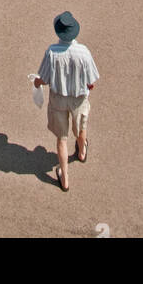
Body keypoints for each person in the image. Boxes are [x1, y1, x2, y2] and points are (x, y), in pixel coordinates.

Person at [34, 12, 98, 193]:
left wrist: (36, 83)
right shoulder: (84, 52)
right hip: (78, 99)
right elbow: (91, 81)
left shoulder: (52, 52)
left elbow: (44, 78)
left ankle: (65, 176)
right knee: (81, 128)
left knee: (61, 139)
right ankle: (82, 151)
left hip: (58, 99)